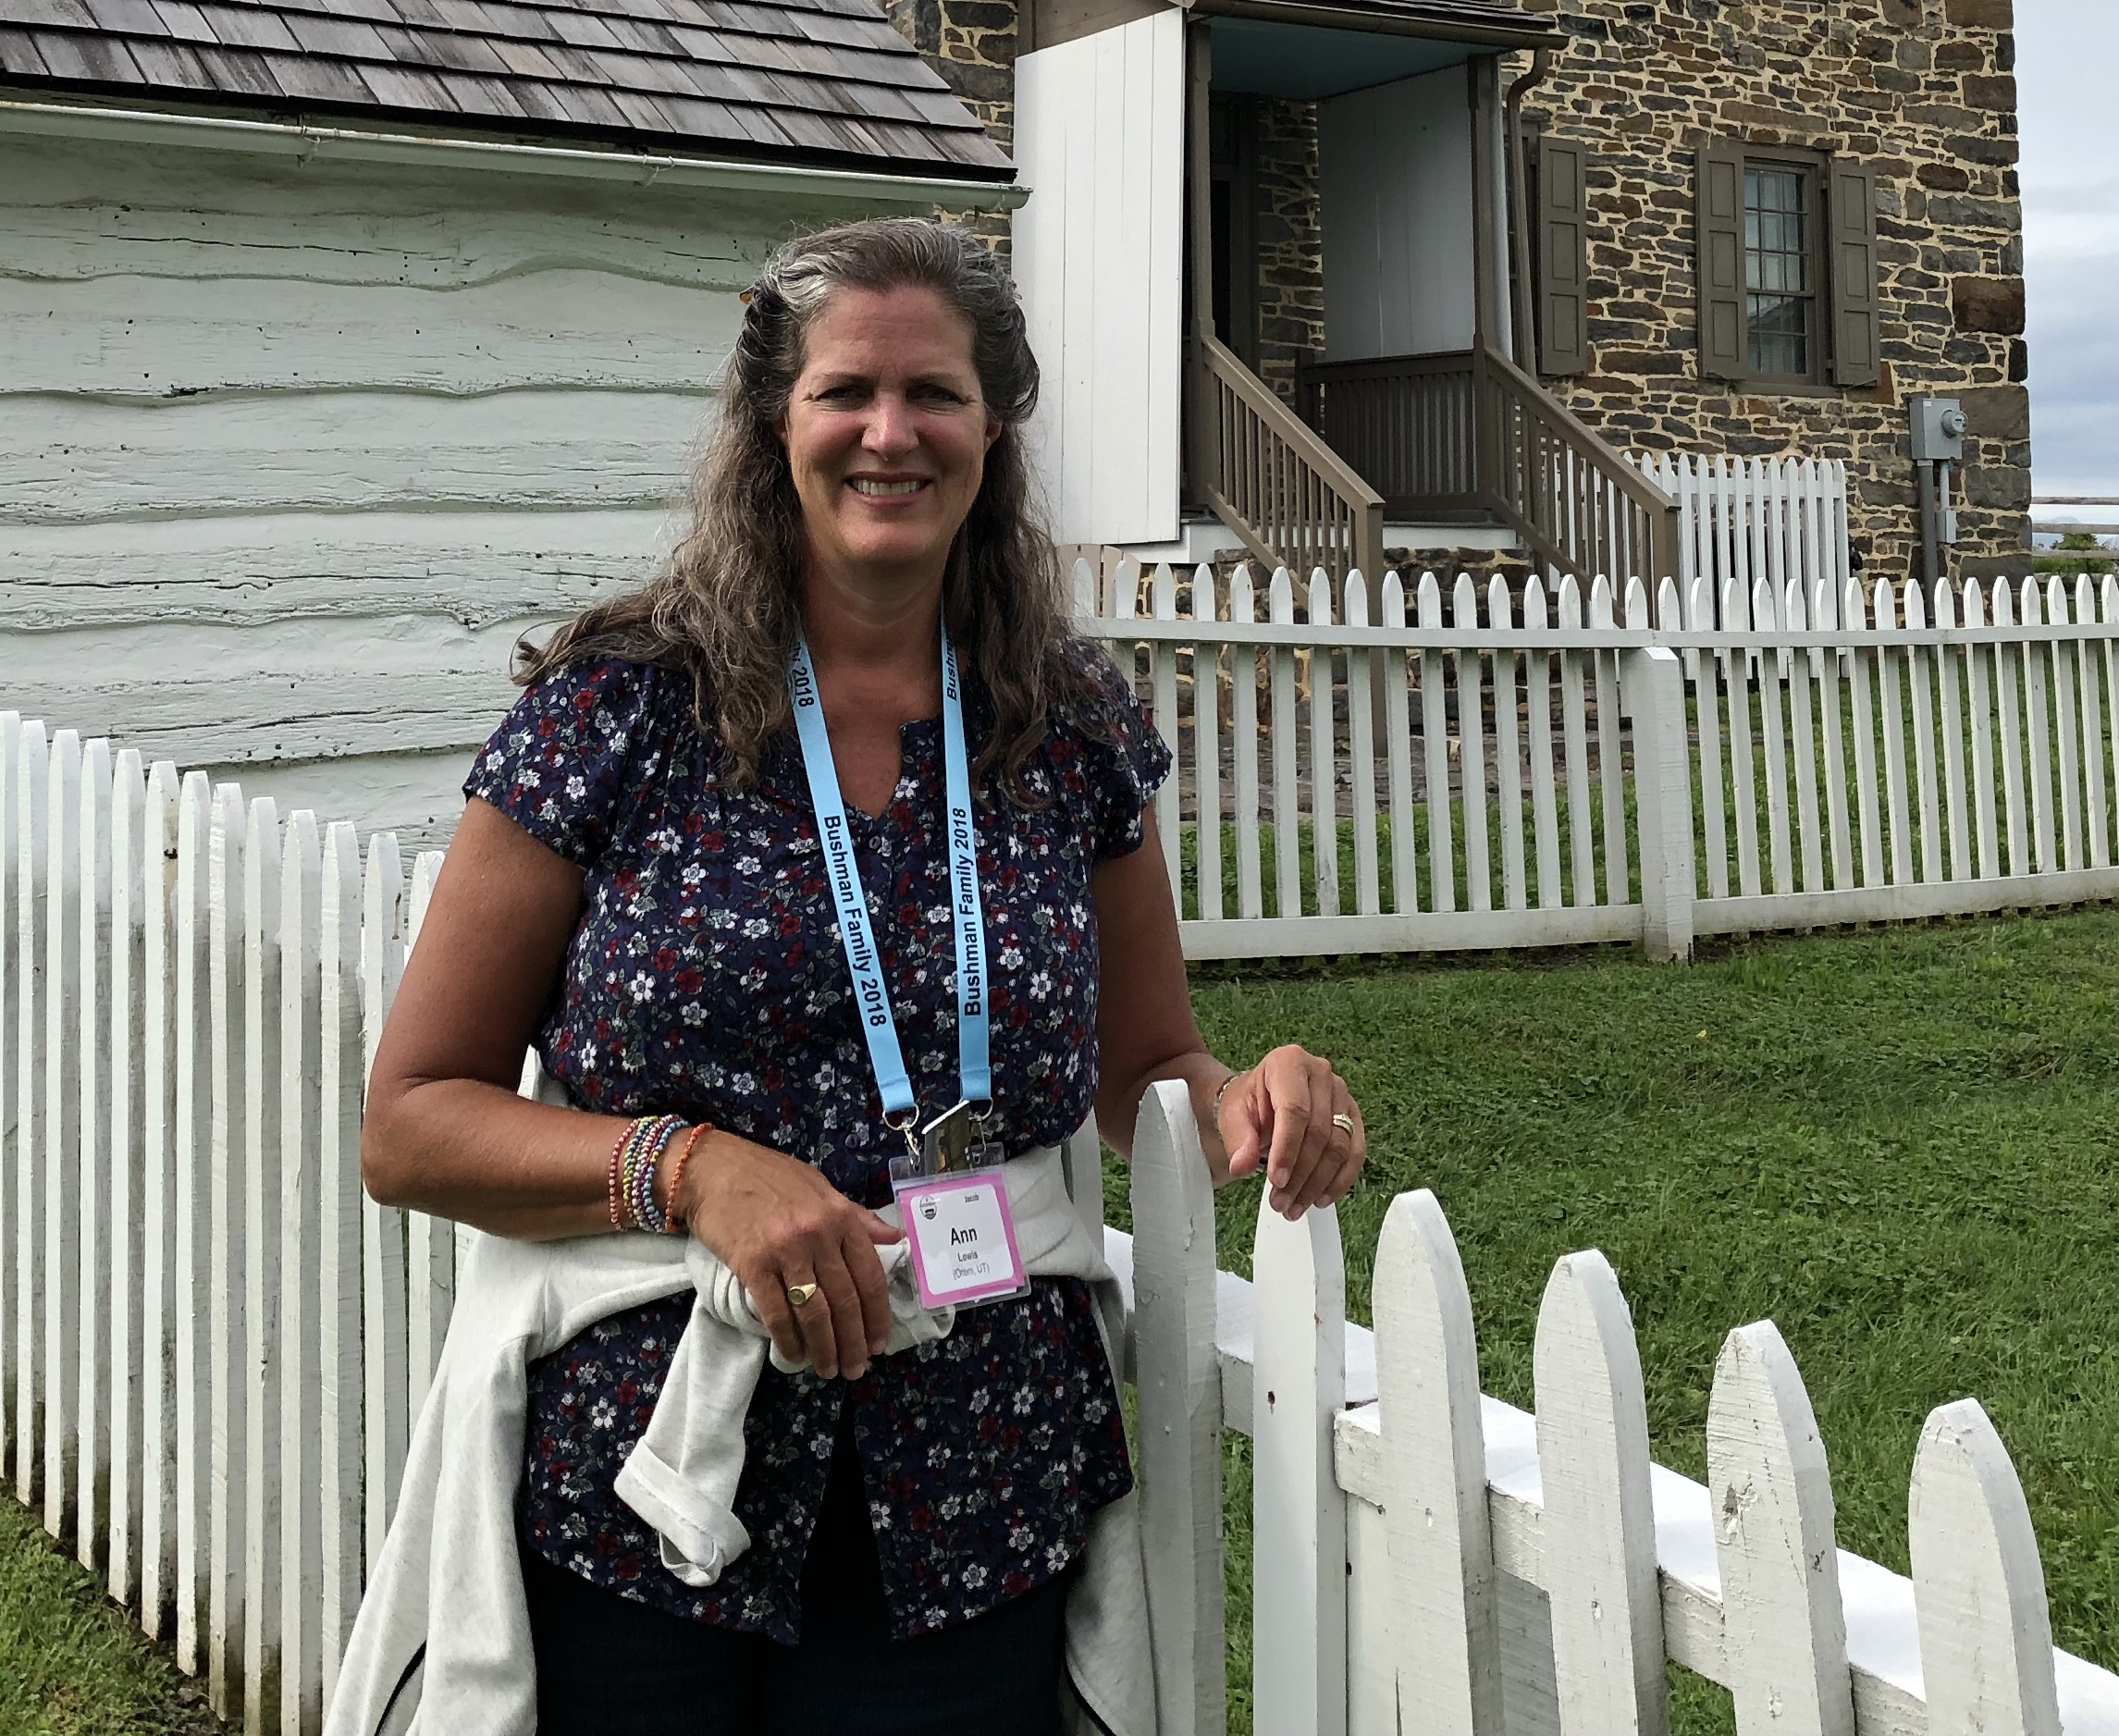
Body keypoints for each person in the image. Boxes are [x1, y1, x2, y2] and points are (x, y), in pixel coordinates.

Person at [350, 216, 1366, 1736]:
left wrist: (1254, 1098)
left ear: (993, 426)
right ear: (777, 424)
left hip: (972, 1494)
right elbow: (411, 1120)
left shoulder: (1068, 723)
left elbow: (1146, 1067)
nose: (889, 434)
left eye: (935, 394)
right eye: (846, 393)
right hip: (644, 1495)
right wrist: (690, 1170)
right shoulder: (617, 710)